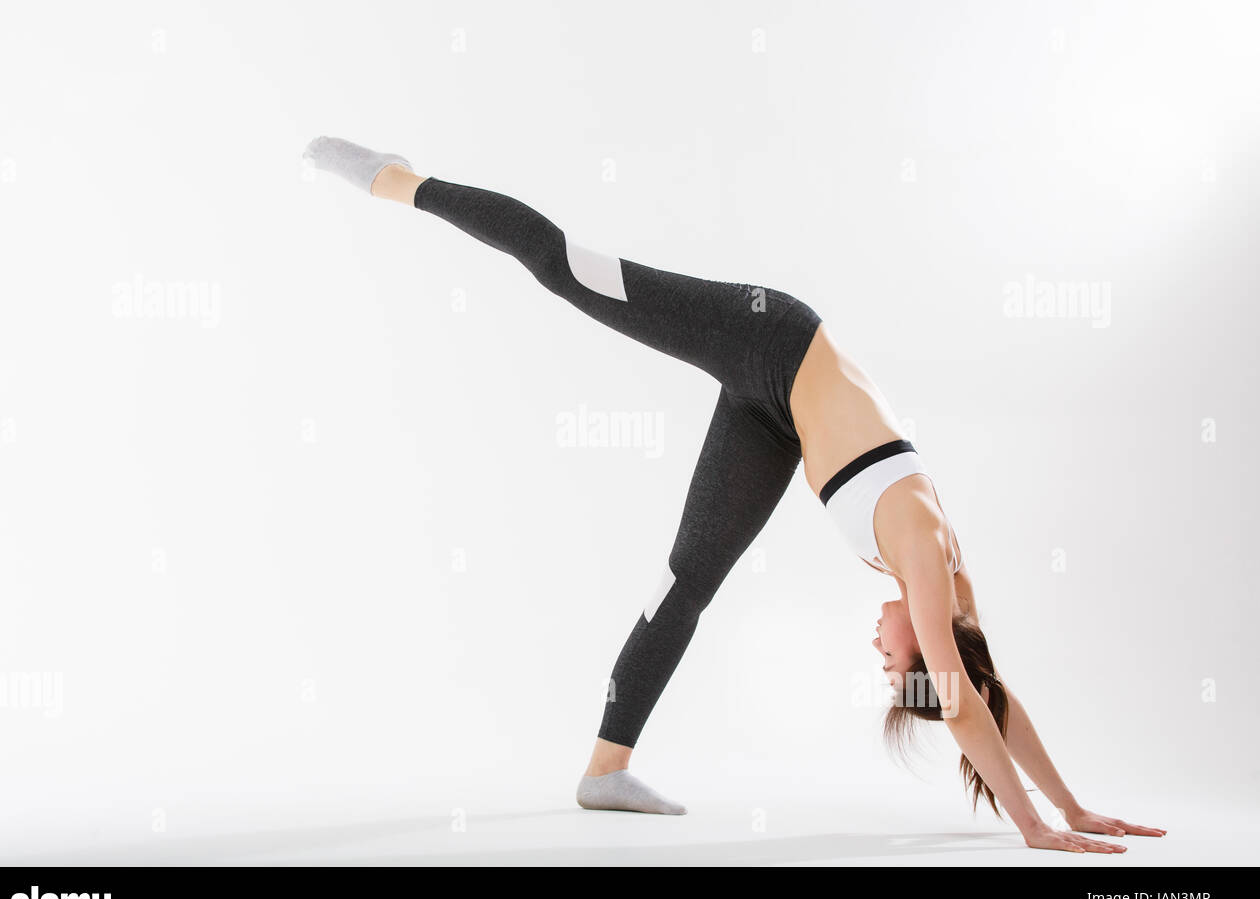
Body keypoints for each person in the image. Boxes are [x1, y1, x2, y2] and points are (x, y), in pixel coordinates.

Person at [303, 136, 1166, 852]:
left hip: (775, 418)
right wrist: (1032, 827)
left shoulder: (941, 592)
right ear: (930, 645)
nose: (879, 649)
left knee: (688, 579)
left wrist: (1072, 805)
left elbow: (987, 695)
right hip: (770, 336)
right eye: (893, 660)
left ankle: (604, 771)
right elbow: (968, 698)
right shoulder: (922, 549)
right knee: (573, 271)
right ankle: (400, 180)